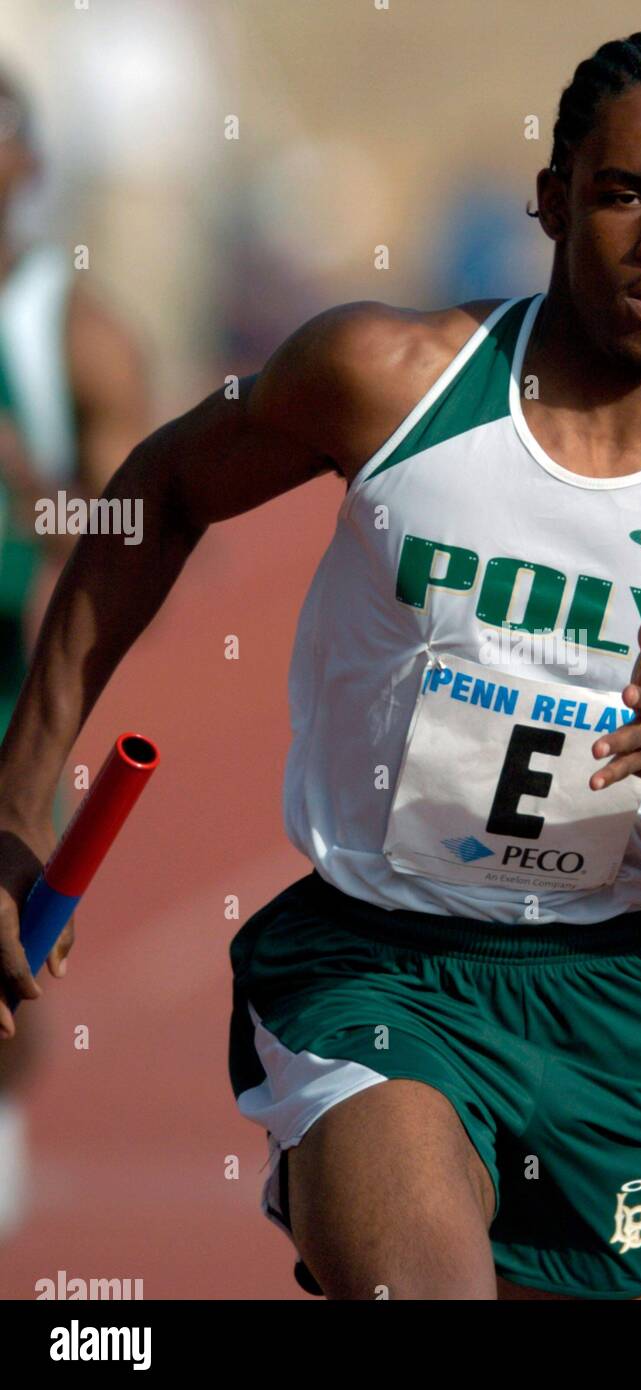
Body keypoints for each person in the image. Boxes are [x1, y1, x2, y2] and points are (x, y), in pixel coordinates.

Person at [0, 29, 641, 1300]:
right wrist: (23, 788)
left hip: (619, 1004)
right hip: (379, 962)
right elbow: (160, 490)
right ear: (553, 197)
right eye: (625, 194)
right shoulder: (388, 377)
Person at [0, 69, 148, 1240]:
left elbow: (123, 539)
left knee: (2, 965)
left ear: (27, 166)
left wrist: (18, 471)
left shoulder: (73, 335)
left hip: (7, 687)